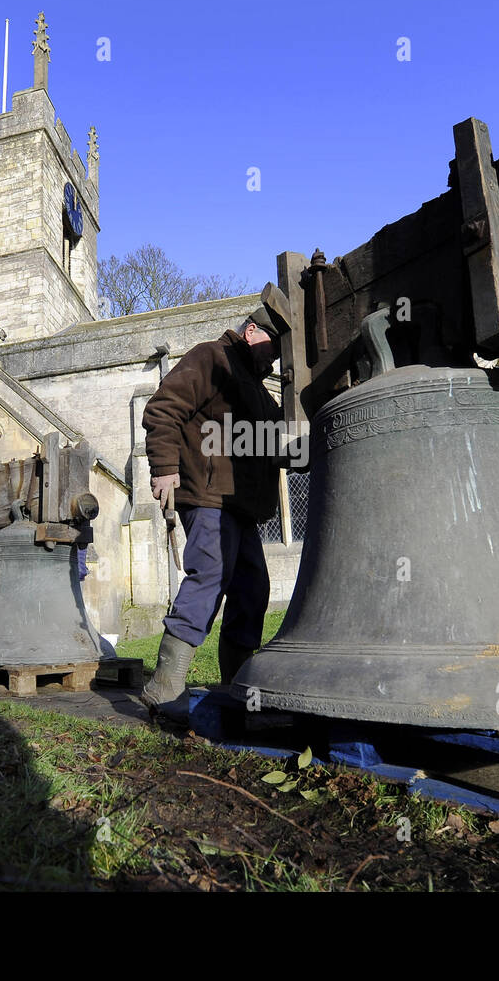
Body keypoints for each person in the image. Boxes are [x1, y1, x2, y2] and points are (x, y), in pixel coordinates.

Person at [139, 300, 288, 721]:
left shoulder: (259, 390)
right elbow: (163, 409)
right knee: (210, 576)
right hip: (207, 498)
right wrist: (165, 469)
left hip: (239, 507)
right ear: (252, 331)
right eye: (273, 347)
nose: (274, 359)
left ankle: (236, 687)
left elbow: (278, 445)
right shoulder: (211, 357)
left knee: (253, 589)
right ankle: (165, 683)